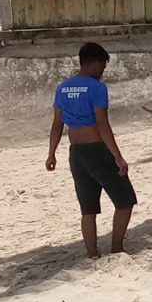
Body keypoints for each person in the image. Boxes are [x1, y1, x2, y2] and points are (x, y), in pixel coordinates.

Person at [45, 39, 135, 256]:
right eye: (103, 66)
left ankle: (92, 253)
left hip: (76, 153)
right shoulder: (97, 88)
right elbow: (102, 124)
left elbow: (57, 125)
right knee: (125, 201)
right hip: (97, 150)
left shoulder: (63, 88)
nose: (103, 72)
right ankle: (116, 247)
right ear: (95, 63)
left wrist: (51, 154)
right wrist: (118, 157)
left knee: (88, 209)